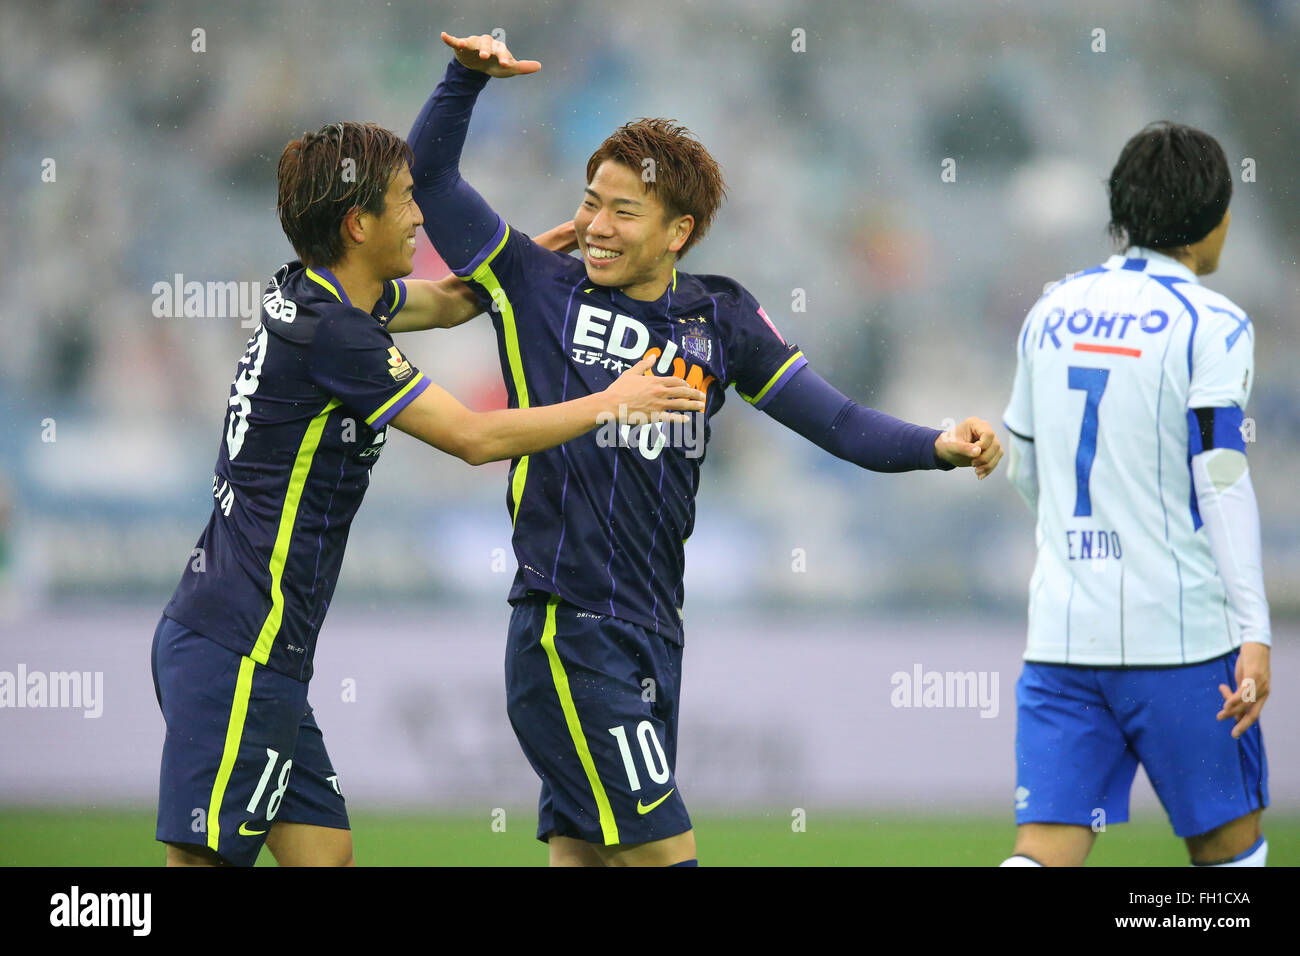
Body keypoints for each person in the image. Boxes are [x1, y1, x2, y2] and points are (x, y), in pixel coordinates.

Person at [409, 32, 1003, 867]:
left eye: (623, 210)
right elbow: (429, 180)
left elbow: (837, 423)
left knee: (586, 858)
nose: (595, 227)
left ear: (679, 229)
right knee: (667, 857)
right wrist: (463, 80)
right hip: (568, 627)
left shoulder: (721, 319)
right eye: (591, 202)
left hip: (654, 631)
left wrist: (937, 443)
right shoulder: (535, 285)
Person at [152, 120, 705, 866]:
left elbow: (450, 300)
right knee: (204, 861)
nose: (420, 216)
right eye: (407, 201)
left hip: (256, 642)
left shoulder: (312, 293)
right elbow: (474, 437)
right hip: (236, 640)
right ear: (358, 223)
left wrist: (540, 257)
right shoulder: (336, 336)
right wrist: (613, 400)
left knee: (327, 855)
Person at [1000, 121, 1270, 867]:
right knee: (1228, 845)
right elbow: (1219, 474)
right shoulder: (1212, 321)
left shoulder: (1050, 309)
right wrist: (1256, 627)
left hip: (1062, 633)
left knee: (1046, 846)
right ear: (1213, 217)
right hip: (1179, 634)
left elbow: (1026, 464)